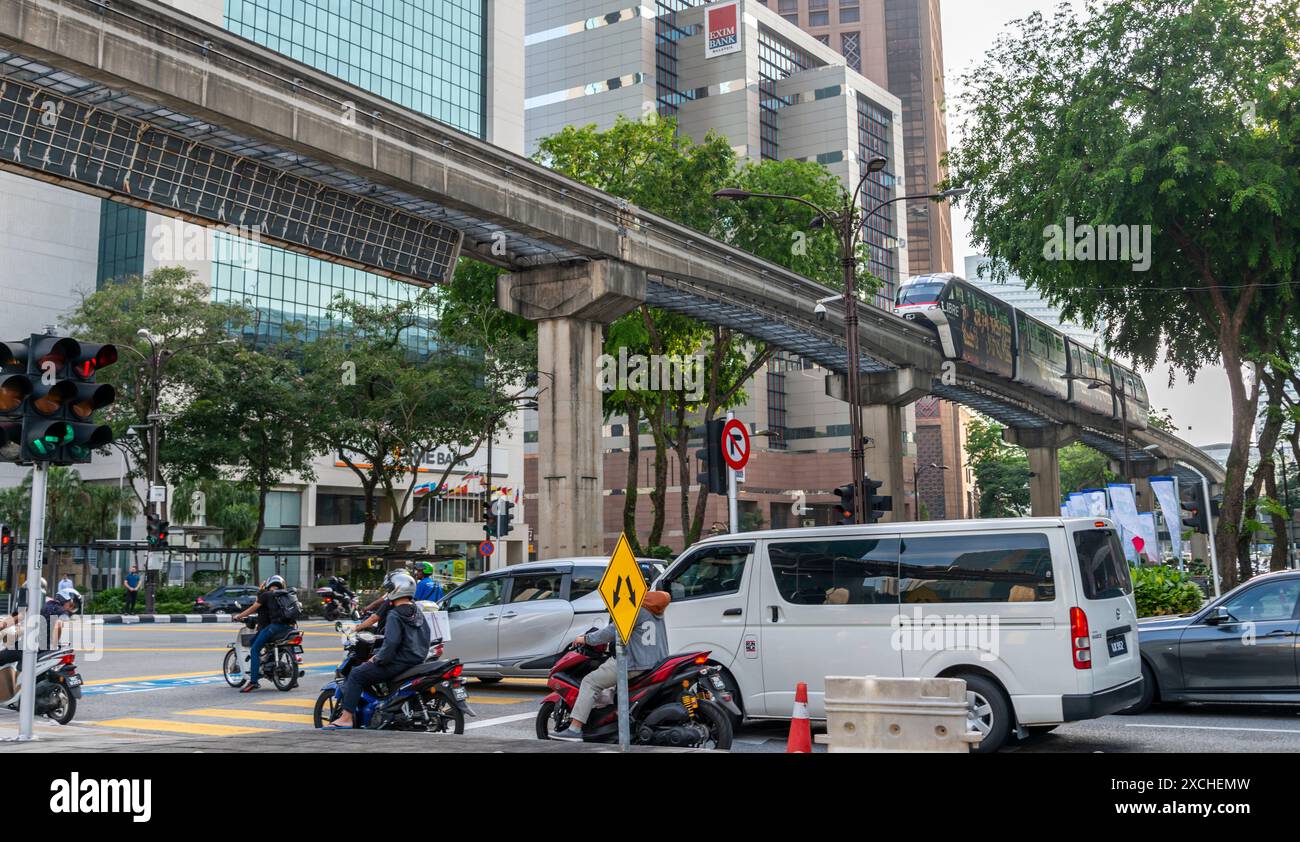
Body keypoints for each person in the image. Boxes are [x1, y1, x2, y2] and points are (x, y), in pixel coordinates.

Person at [557, 590, 671, 740]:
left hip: (634, 664)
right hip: (656, 664)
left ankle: (575, 728)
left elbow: (610, 633)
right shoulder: (657, 612)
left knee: (590, 682)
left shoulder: (635, 611)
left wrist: (585, 639)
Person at [326, 572, 430, 729]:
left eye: (389, 589)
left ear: (396, 590)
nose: (387, 592)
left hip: (398, 662)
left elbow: (391, 644)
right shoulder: (416, 610)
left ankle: (346, 718)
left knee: (356, 674)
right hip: (417, 660)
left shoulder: (394, 614)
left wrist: (377, 659)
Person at [231, 575, 296, 693]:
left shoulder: (267, 595)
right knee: (284, 645)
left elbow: (253, 608)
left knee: (255, 649)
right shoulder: (286, 594)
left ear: (268, 585)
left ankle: (253, 682)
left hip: (274, 627)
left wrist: (239, 616)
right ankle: (293, 679)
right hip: (290, 627)